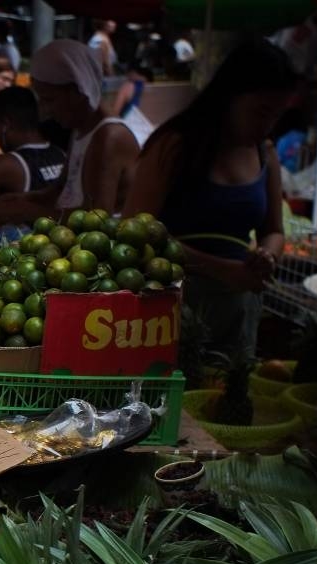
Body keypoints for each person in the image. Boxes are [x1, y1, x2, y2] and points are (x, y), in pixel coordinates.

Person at [125, 39, 296, 361]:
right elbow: (134, 231)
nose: (267, 125)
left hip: (237, 314)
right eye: (260, 112)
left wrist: (267, 257)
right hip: (169, 313)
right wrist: (222, 270)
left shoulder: (265, 153)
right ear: (231, 96)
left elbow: (274, 230)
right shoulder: (175, 146)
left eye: (276, 116)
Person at [0, 40, 138, 223]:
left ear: (77, 91)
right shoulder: (80, 128)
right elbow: (60, 189)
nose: (44, 111)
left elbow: (97, 220)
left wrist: (30, 211)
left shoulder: (109, 137)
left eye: (49, 100)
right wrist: (24, 199)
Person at [111, 63, 155, 148]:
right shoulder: (156, 88)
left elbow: (114, 113)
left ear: (133, 72)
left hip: (132, 134)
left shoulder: (128, 86)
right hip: (152, 132)